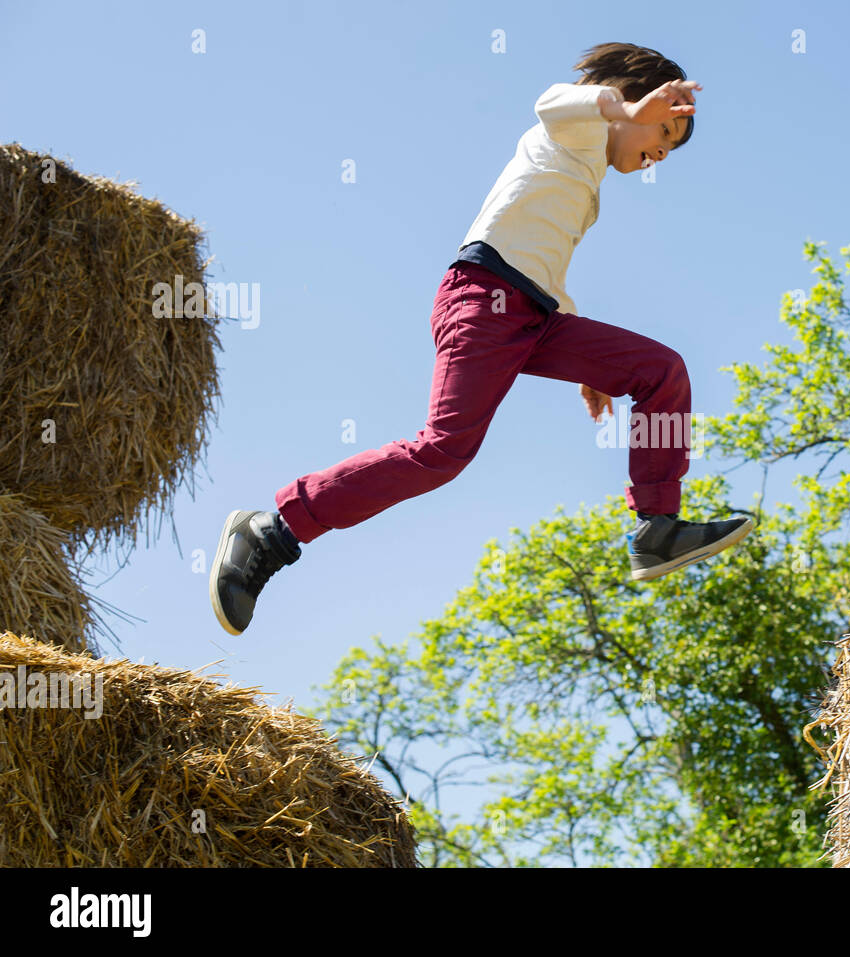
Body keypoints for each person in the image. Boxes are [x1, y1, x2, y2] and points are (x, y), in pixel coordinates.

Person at [210, 42, 752, 636]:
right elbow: (550, 102)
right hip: (482, 297)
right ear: (629, 101)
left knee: (661, 370)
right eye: (665, 134)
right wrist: (623, 110)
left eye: (669, 146)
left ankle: (658, 526)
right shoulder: (572, 128)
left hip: (532, 311)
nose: (660, 154)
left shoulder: (588, 177)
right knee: (444, 451)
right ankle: (274, 529)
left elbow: (544, 267)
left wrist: (589, 369)